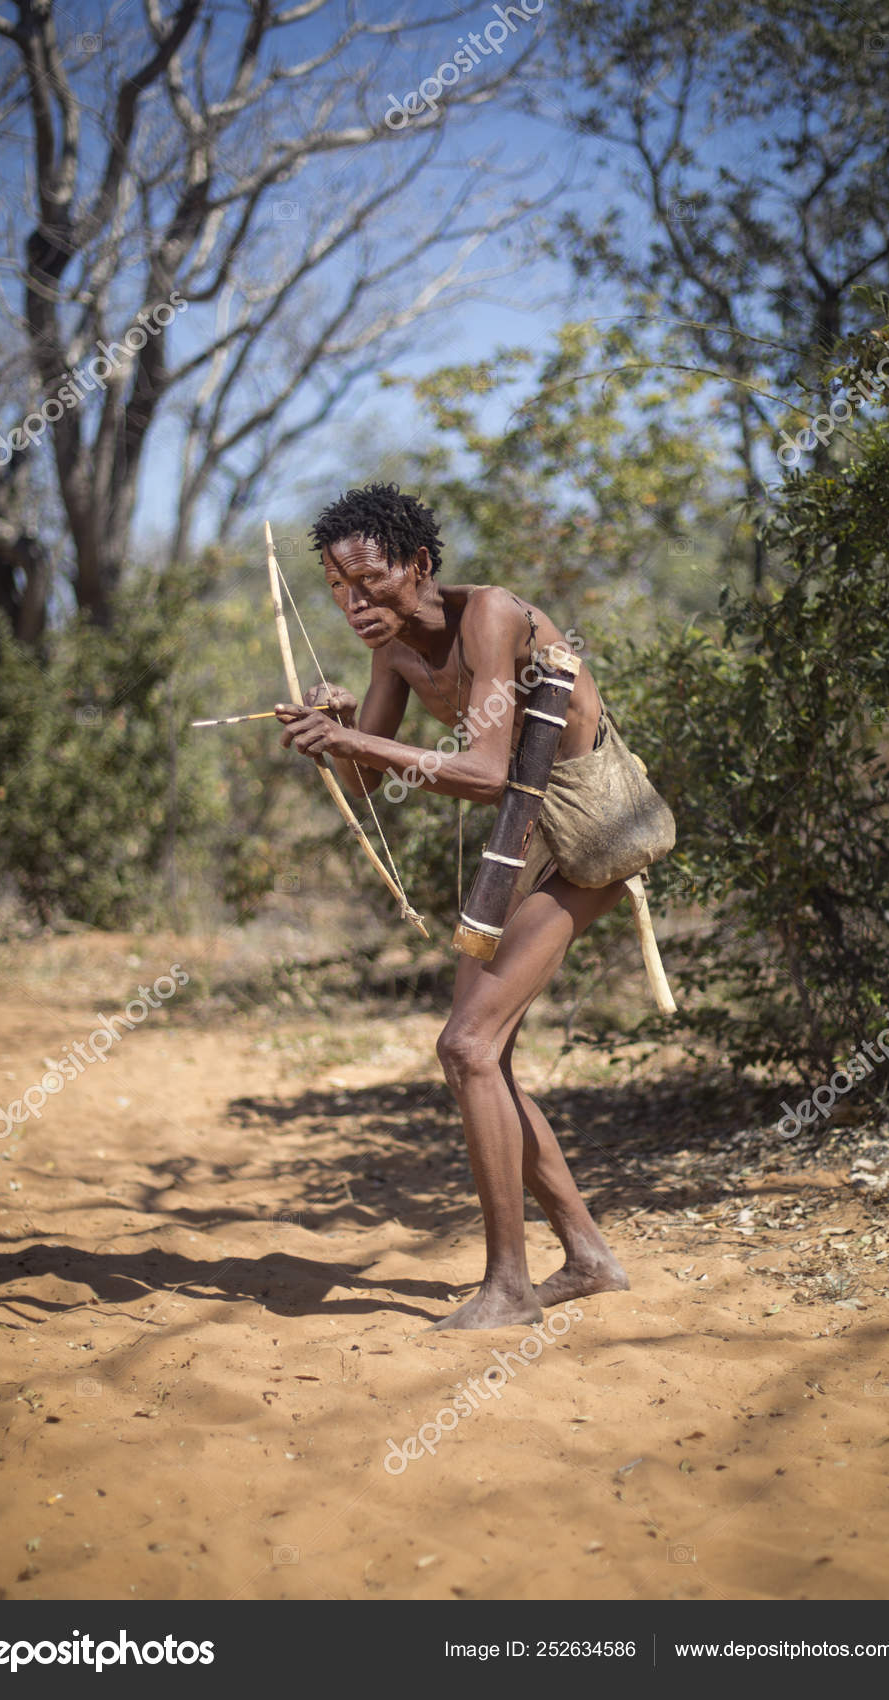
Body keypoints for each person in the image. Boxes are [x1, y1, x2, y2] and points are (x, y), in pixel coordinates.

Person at [276, 483, 631, 1330]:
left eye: (371, 583)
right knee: (485, 1060)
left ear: (420, 565)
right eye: (336, 587)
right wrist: (336, 732)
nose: (355, 604)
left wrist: (355, 738)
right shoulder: (393, 650)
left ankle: (510, 1287)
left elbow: (487, 773)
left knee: (467, 1046)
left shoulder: (490, 616)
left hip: (589, 832)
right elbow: (369, 782)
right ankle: (585, 1256)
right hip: (527, 843)